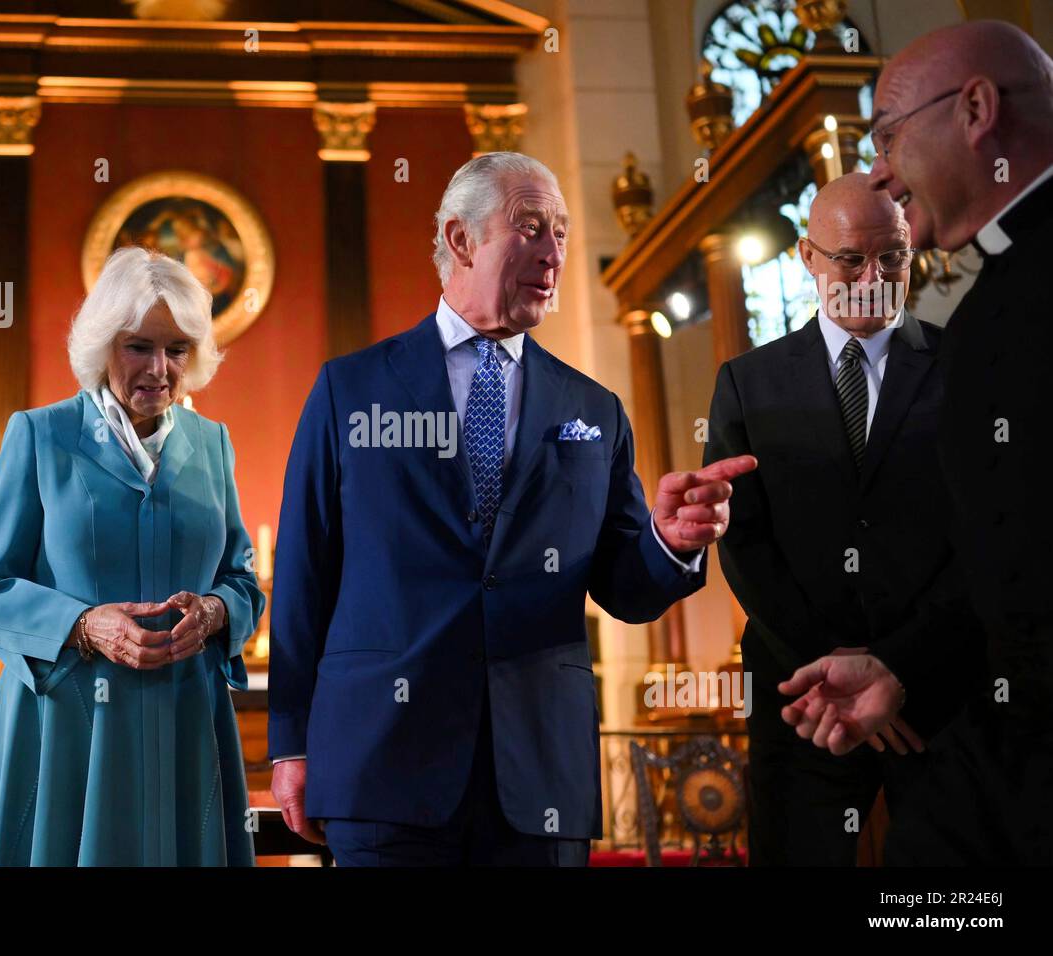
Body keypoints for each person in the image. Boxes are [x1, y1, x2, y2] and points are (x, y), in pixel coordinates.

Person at [267, 151, 756, 866]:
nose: (553, 252)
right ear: (461, 239)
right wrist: (293, 743)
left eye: (561, 232)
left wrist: (670, 540)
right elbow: (304, 574)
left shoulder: (595, 409)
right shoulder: (350, 389)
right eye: (531, 228)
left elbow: (625, 584)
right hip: (382, 766)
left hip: (539, 780)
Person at [779, 20, 1053, 864]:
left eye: (889, 135)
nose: (880, 170)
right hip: (1004, 744)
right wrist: (901, 664)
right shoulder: (981, 313)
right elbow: (1001, 551)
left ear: (977, 109)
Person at [0, 245, 264, 865]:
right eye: (139, 347)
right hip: (65, 724)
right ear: (103, 347)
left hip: (186, 716)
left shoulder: (213, 445)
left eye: (177, 349)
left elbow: (243, 580)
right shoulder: (40, 435)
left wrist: (213, 611)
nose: (159, 368)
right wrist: (82, 624)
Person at [706, 172, 979, 865]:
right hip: (801, 696)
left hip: (941, 691)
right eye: (850, 259)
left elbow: (985, 531)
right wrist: (829, 675)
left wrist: (897, 666)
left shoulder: (967, 367)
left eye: (891, 256)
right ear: (806, 255)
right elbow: (744, 541)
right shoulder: (748, 382)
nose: (873, 277)